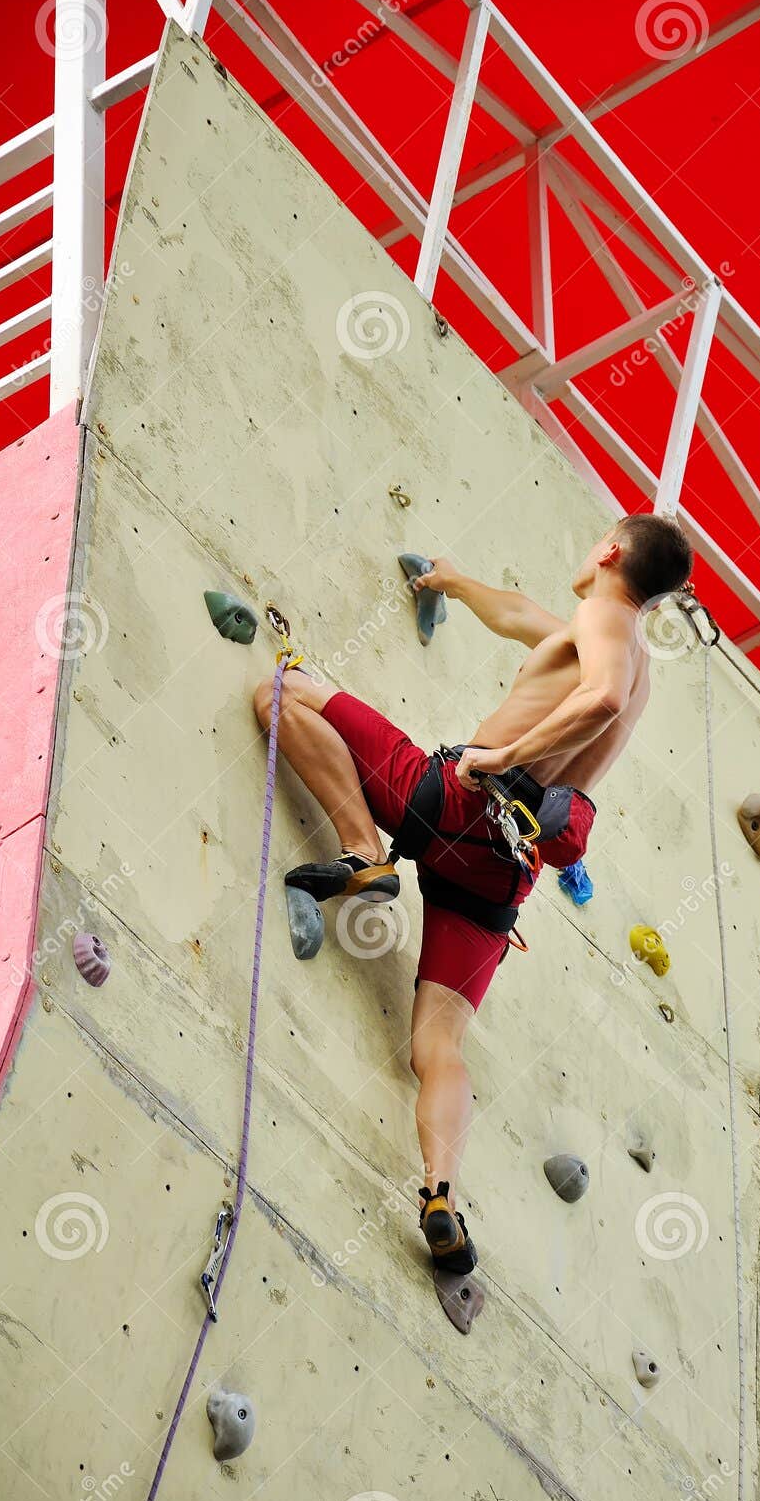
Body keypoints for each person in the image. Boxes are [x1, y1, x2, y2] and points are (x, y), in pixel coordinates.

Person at [252, 514, 693, 1274]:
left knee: (279, 690)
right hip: (499, 876)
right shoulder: (602, 635)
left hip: (456, 803)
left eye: (596, 539)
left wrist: (501, 757)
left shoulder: (606, 623)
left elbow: (601, 699)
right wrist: (451, 581)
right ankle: (438, 1194)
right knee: (439, 1045)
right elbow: (523, 618)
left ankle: (362, 850)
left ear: (611, 552)